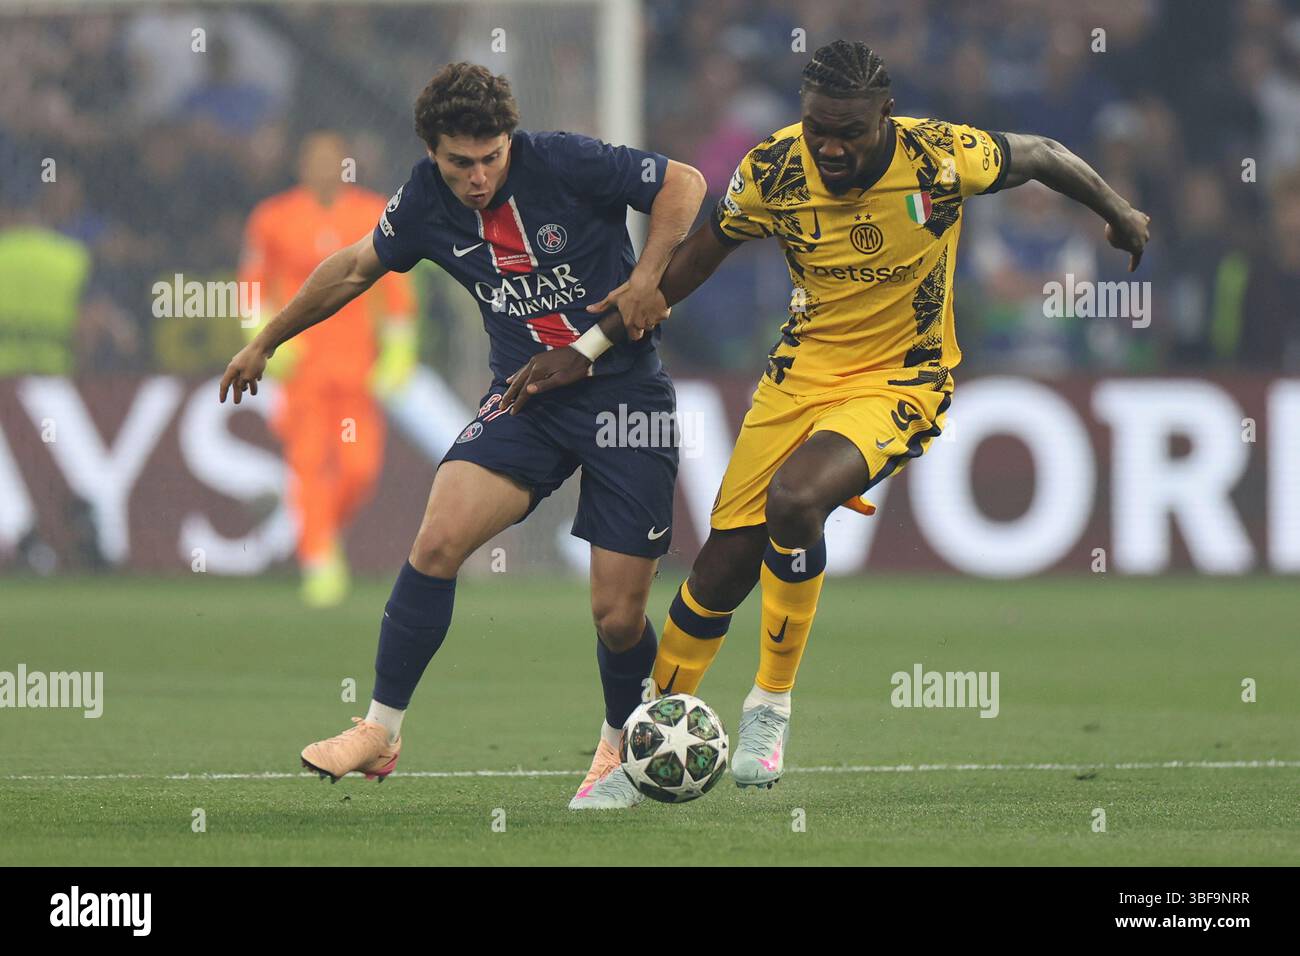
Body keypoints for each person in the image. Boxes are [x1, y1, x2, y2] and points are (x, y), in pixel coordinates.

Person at [504, 39, 1150, 788]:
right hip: (797, 378)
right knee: (717, 573)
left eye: (849, 131)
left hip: (901, 379)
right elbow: (704, 252)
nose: (830, 147)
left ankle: (771, 705)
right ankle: (643, 746)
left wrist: (1119, 210)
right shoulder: (774, 169)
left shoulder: (939, 157)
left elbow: (1038, 153)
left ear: (887, 117)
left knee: (797, 498)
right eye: (818, 128)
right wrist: (588, 345)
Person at [220, 63, 706, 809]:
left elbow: (686, 184)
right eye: (460, 163)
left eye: (491, 158)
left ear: (508, 141)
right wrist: (268, 342)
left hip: (625, 398)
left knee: (617, 616)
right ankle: (381, 730)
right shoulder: (421, 201)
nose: (478, 177)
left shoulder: (564, 160)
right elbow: (353, 269)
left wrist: (647, 276)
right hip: (527, 393)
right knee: (439, 537)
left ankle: (619, 744)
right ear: (432, 153)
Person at [239, 130, 417, 606]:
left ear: (346, 164)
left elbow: (397, 289)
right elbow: (252, 285)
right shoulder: (273, 218)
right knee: (309, 466)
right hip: (303, 372)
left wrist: (399, 349)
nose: (323, 168)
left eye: (331, 160)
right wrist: (262, 339)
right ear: (302, 165)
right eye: (314, 159)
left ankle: (321, 539)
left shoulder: (374, 213)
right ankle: (319, 561)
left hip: (356, 370)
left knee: (360, 468)